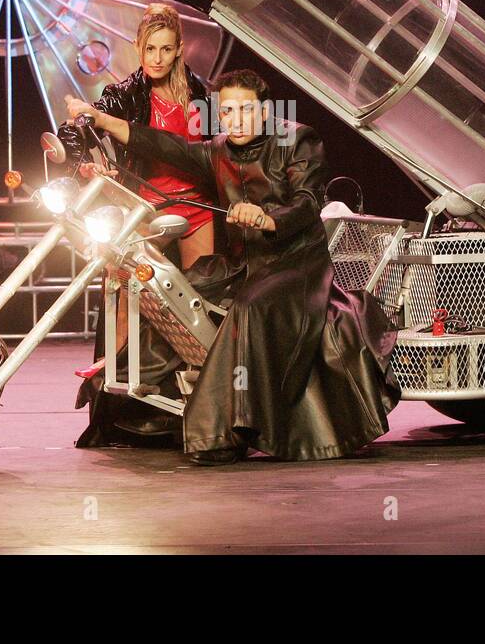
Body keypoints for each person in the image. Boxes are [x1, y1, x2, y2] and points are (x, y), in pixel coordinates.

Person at [64, 69, 400, 465]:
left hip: (296, 265)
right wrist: (99, 119)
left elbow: (309, 200)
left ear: (264, 110)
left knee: (248, 308)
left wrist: (268, 218)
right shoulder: (219, 149)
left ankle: (220, 432)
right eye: (227, 111)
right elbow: (165, 145)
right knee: (167, 289)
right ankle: (141, 409)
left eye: (245, 109)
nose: (236, 119)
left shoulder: (297, 139)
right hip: (245, 264)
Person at [57, 4, 218, 446]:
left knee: (196, 304)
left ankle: (201, 408)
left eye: (167, 49)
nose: (158, 58)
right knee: (125, 299)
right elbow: (82, 124)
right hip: (146, 208)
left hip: (197, 207)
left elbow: (215, 152)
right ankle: (113, 404)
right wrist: (77, 155)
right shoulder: (125, 93)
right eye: (151, 48)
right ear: (138, 48)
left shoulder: (200, 95)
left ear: (180, 49)